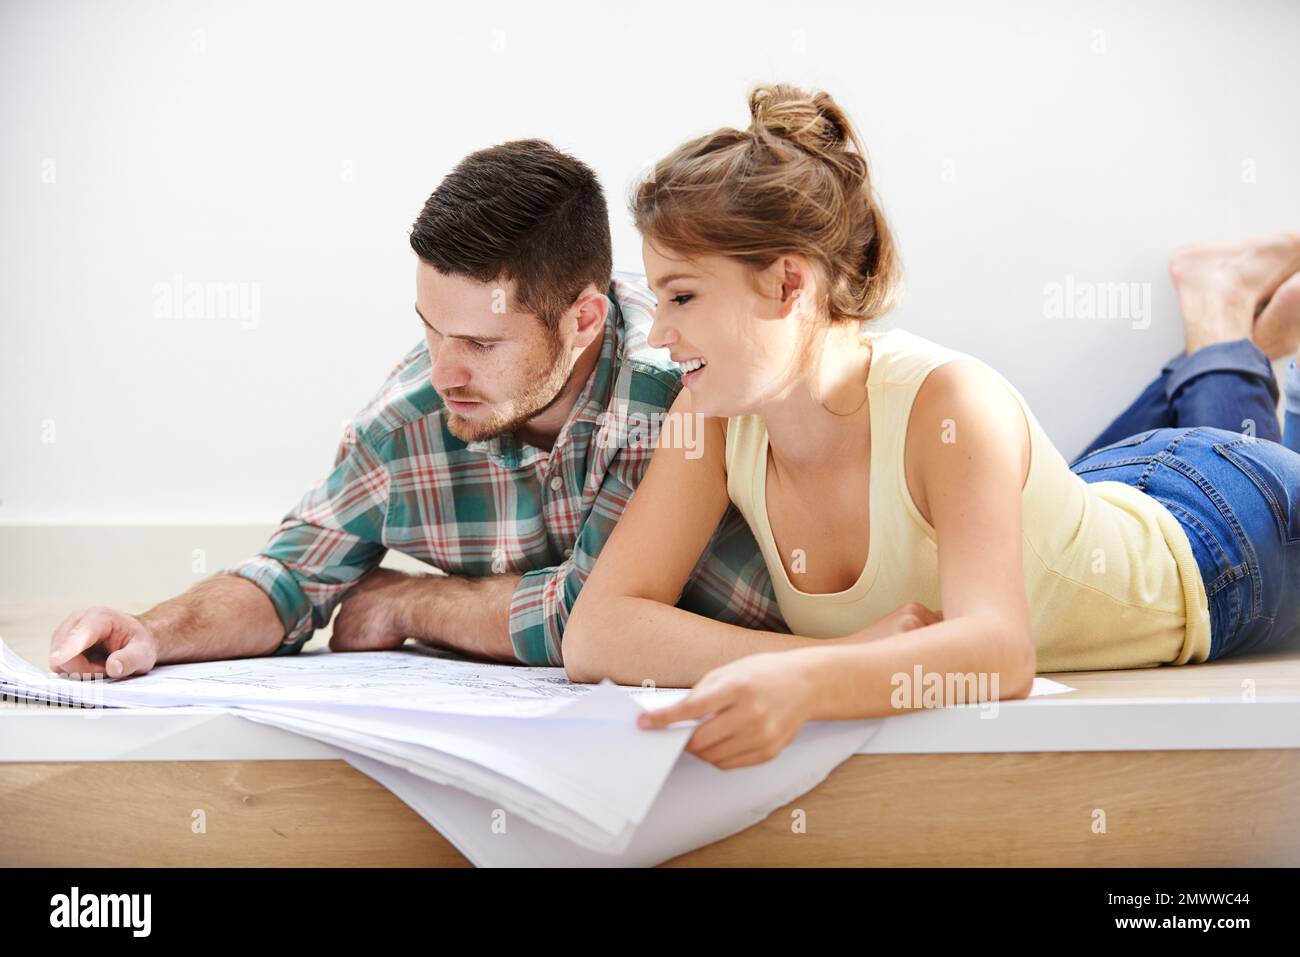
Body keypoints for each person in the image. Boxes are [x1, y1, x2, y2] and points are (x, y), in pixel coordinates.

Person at [561, 84, 1300, 770]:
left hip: (1219, 542)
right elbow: (597, 631)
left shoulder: (951, 402)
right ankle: (1233, 335)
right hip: (1096, 498)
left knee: (1242, 451)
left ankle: (1223, 312)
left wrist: (806, 675)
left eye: (682, 296)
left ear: (789, 282)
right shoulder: (713, 419)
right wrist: (845, 651)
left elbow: (1000, 651)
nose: (657, 334)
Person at [47, 139, 785, 681]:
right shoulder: (405, 423)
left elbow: (581, 617)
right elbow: (288, 580)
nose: (443, 371)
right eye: (430, 329)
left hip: (789, 655)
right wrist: (148, 629)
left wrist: (411, 604)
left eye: (481, 342)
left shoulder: (676, 385)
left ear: (585, 320)